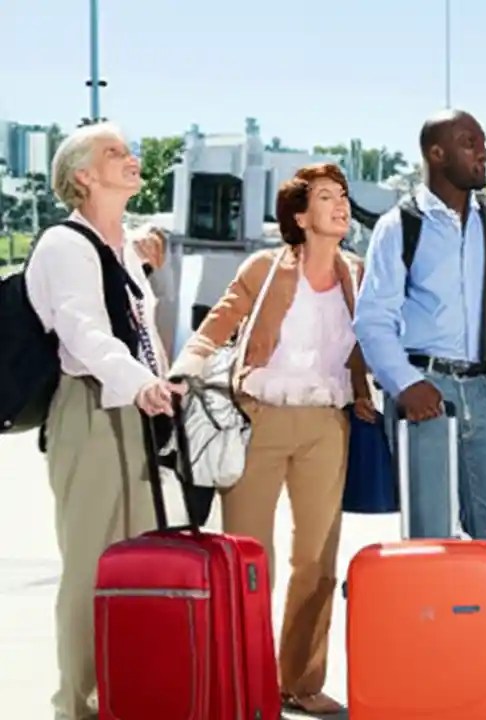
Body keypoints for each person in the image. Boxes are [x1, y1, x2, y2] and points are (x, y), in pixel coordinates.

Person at [353, 108, 486, 710]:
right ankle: (432, 671)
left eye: (485, 143)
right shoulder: (402, 225)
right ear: (436, 154)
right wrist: (405, 384)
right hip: (427, 399)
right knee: (429, 542)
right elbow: (373, 318)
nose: (483, 152)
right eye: (470, 143)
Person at [169, 162, 375, 715]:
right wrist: (183, 370)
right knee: (247, 554)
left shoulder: (357, 272)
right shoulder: (265, 267)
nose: (341, 205)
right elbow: (219, 321)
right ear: (301, 217)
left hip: (327, 423)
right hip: (257, 417)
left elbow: (379, 332)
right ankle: (244, 674)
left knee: (317, 559)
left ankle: (301, 681)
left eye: (344, 197)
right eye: (327, 198)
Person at [25, 122, 187, 720]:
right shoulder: (65, 244)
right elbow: (85, 331)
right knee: (92, 561)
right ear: (82, 176)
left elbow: (137, 326)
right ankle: (77, 705)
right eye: (114, 152)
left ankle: (125, 692)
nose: (132, 158)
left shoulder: (117, 244)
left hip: (133, 411)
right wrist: (141, 382)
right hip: (90, 408)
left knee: (134, 559)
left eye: (130, 149)